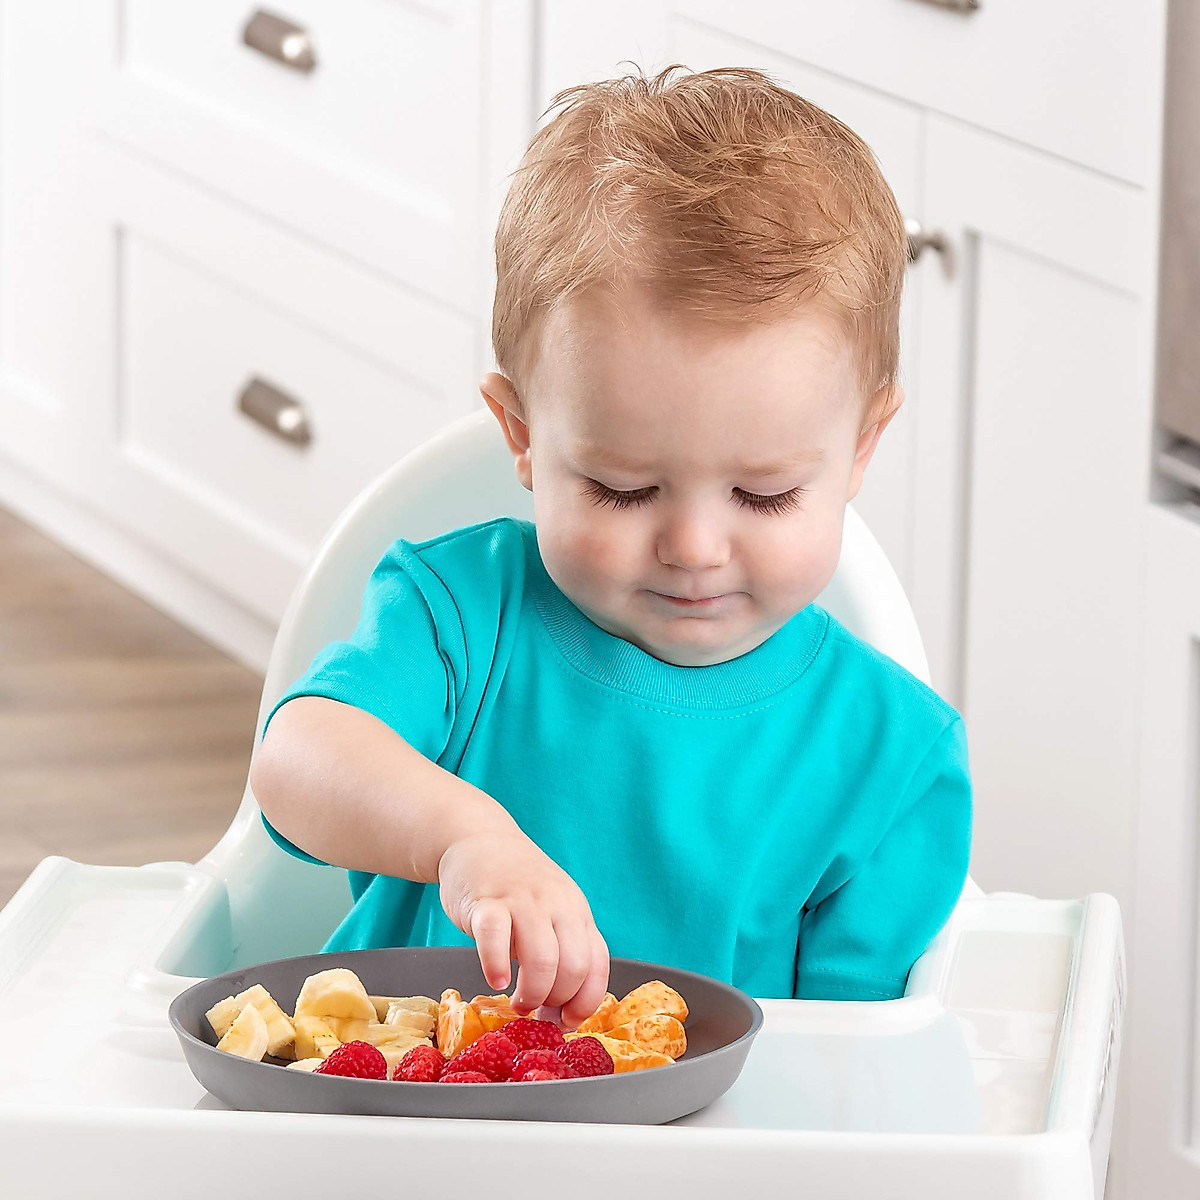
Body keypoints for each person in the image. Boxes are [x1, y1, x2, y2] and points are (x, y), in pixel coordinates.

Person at [250, 64, 972, 1031]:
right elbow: (295, 762)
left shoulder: (890, 758)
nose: (694, 545)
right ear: (521, 436)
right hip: (406, 1132)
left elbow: (852, 1070)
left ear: (861, 449)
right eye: (623, 488)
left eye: (765, 494)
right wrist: (466, 838)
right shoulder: (462, 615)